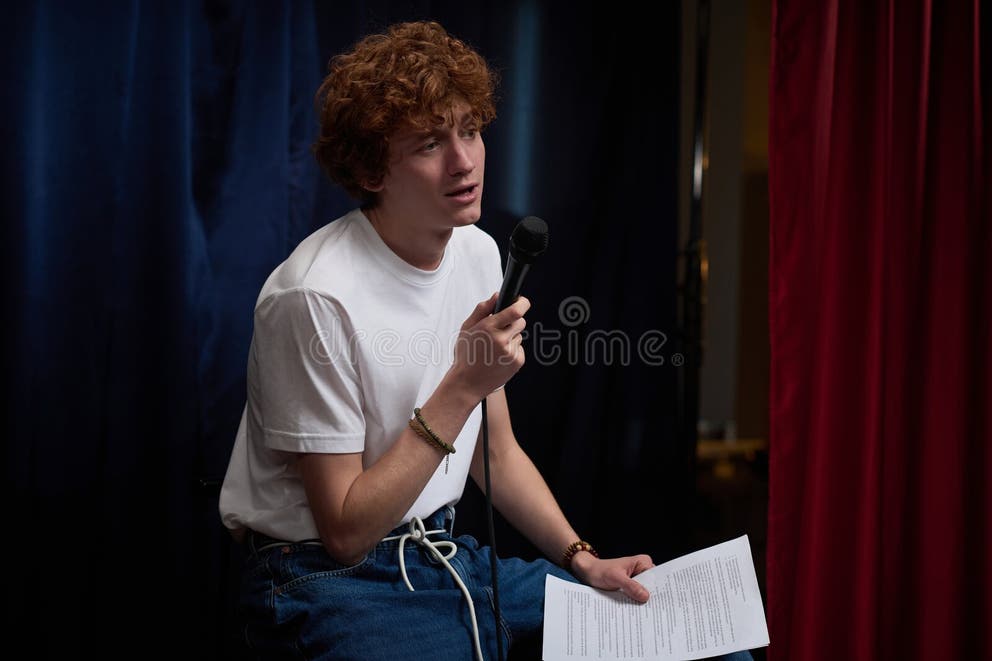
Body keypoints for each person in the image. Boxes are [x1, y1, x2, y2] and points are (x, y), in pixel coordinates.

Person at [220, 20, 752, 661]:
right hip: (324, 579)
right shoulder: (312, 297)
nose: (464, 161)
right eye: (430, 143)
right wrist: (462, 387)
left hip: (443, 554)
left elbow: (494, 449)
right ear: (370, 168)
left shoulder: (474, 252)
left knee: (701, 645)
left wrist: (582, 558)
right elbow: (346, 533)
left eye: (470, 130)